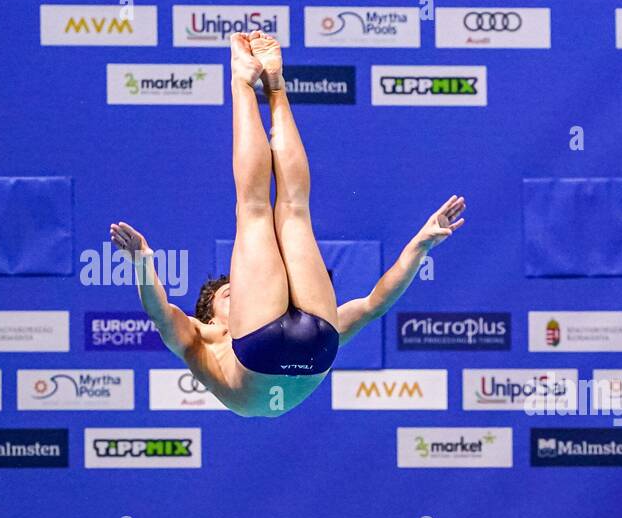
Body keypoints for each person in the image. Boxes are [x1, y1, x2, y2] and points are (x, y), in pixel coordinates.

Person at [110, 32, 466, 418]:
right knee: (272, 210)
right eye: (229, 296)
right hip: (299, 347)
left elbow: (372, 303)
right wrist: (142, 263)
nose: (241, 292)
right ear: (211, 318)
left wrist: (419, 245)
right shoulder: (203, 338)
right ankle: (245, 84)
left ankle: (273, 85)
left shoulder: (225, 332)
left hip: (306, 345)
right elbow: (161, 314)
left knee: (284, 209)